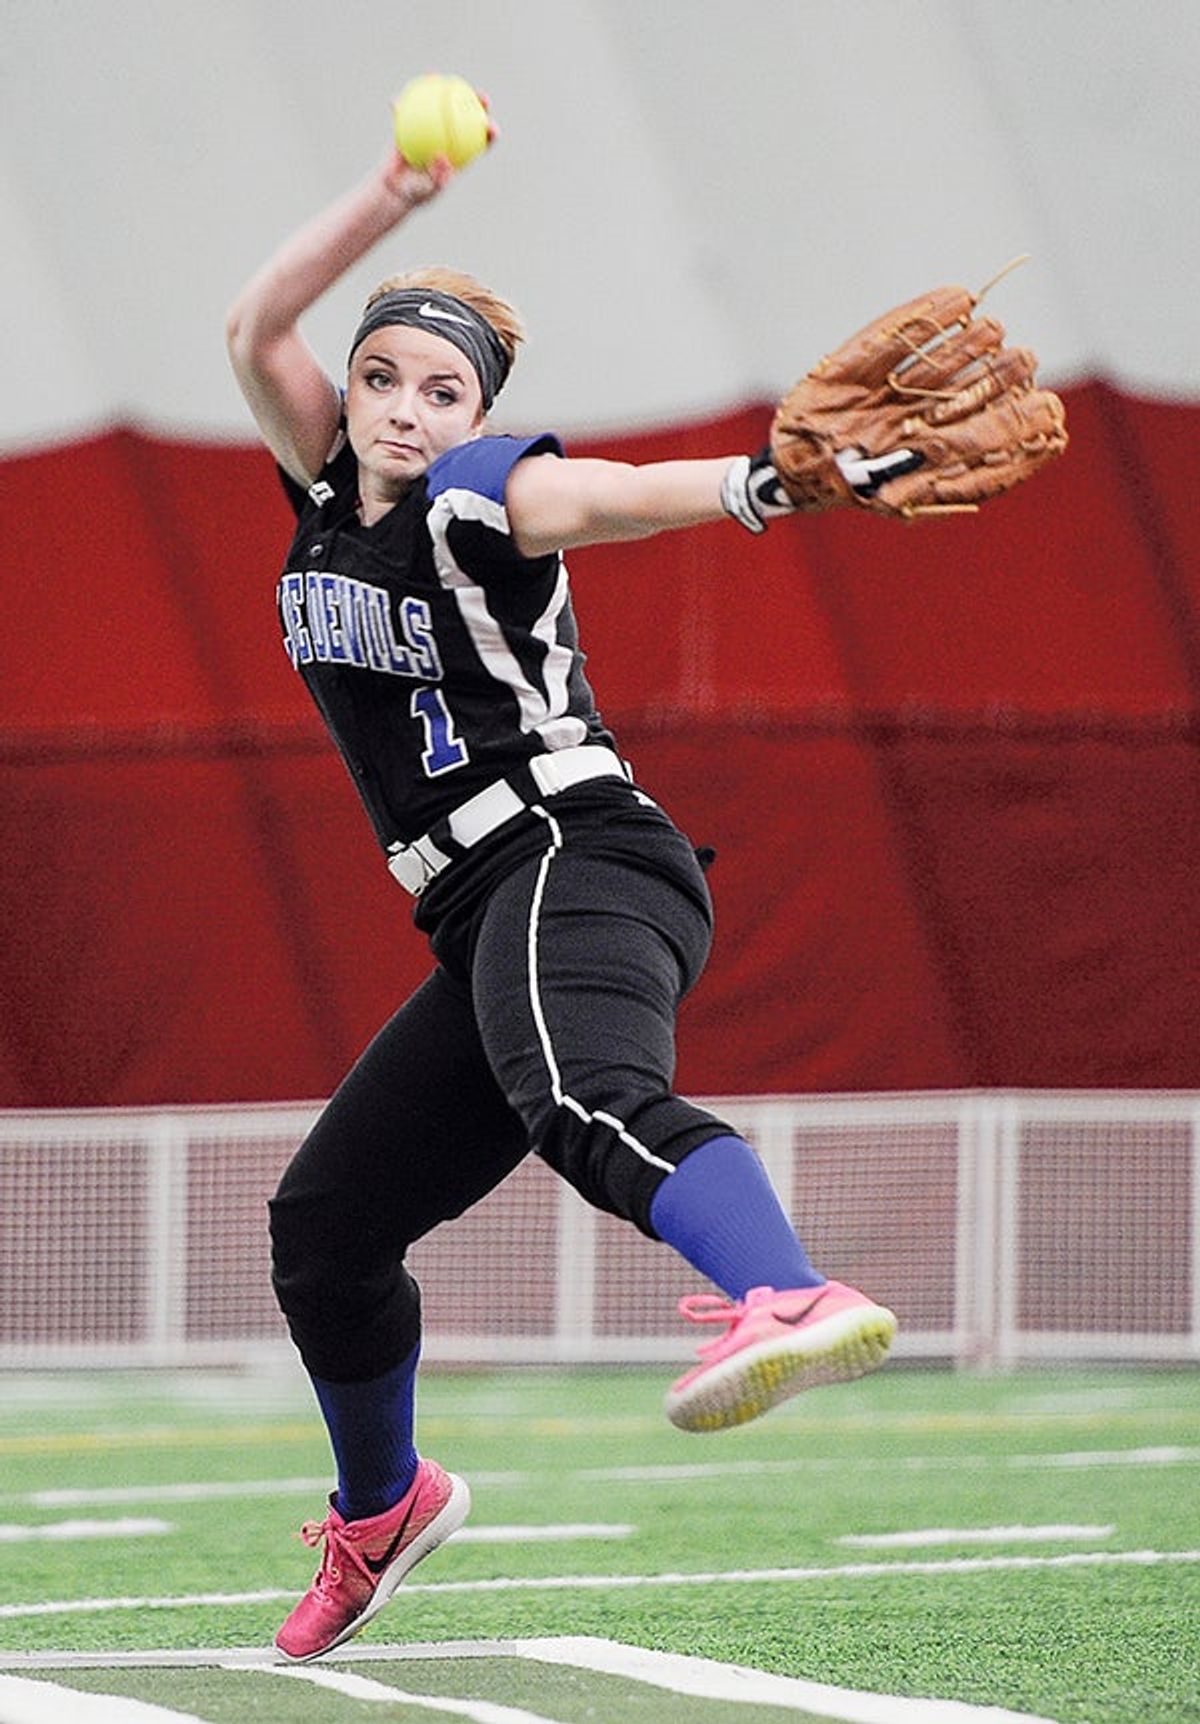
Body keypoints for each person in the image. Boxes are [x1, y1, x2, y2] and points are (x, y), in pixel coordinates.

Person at [226, 120, 896, 1666]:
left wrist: (759, 487)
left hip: (572, 855)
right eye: (382, 375)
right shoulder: (329, 490)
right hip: (479, 908)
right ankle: (385, 1507)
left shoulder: (477, 497)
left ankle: (788, 1293)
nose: (403, 406)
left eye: (440, 389)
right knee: (327, 1229)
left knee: (589, 1107)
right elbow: (259, 325)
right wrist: (388, 199)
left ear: (479, 415)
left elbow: (605, 494)